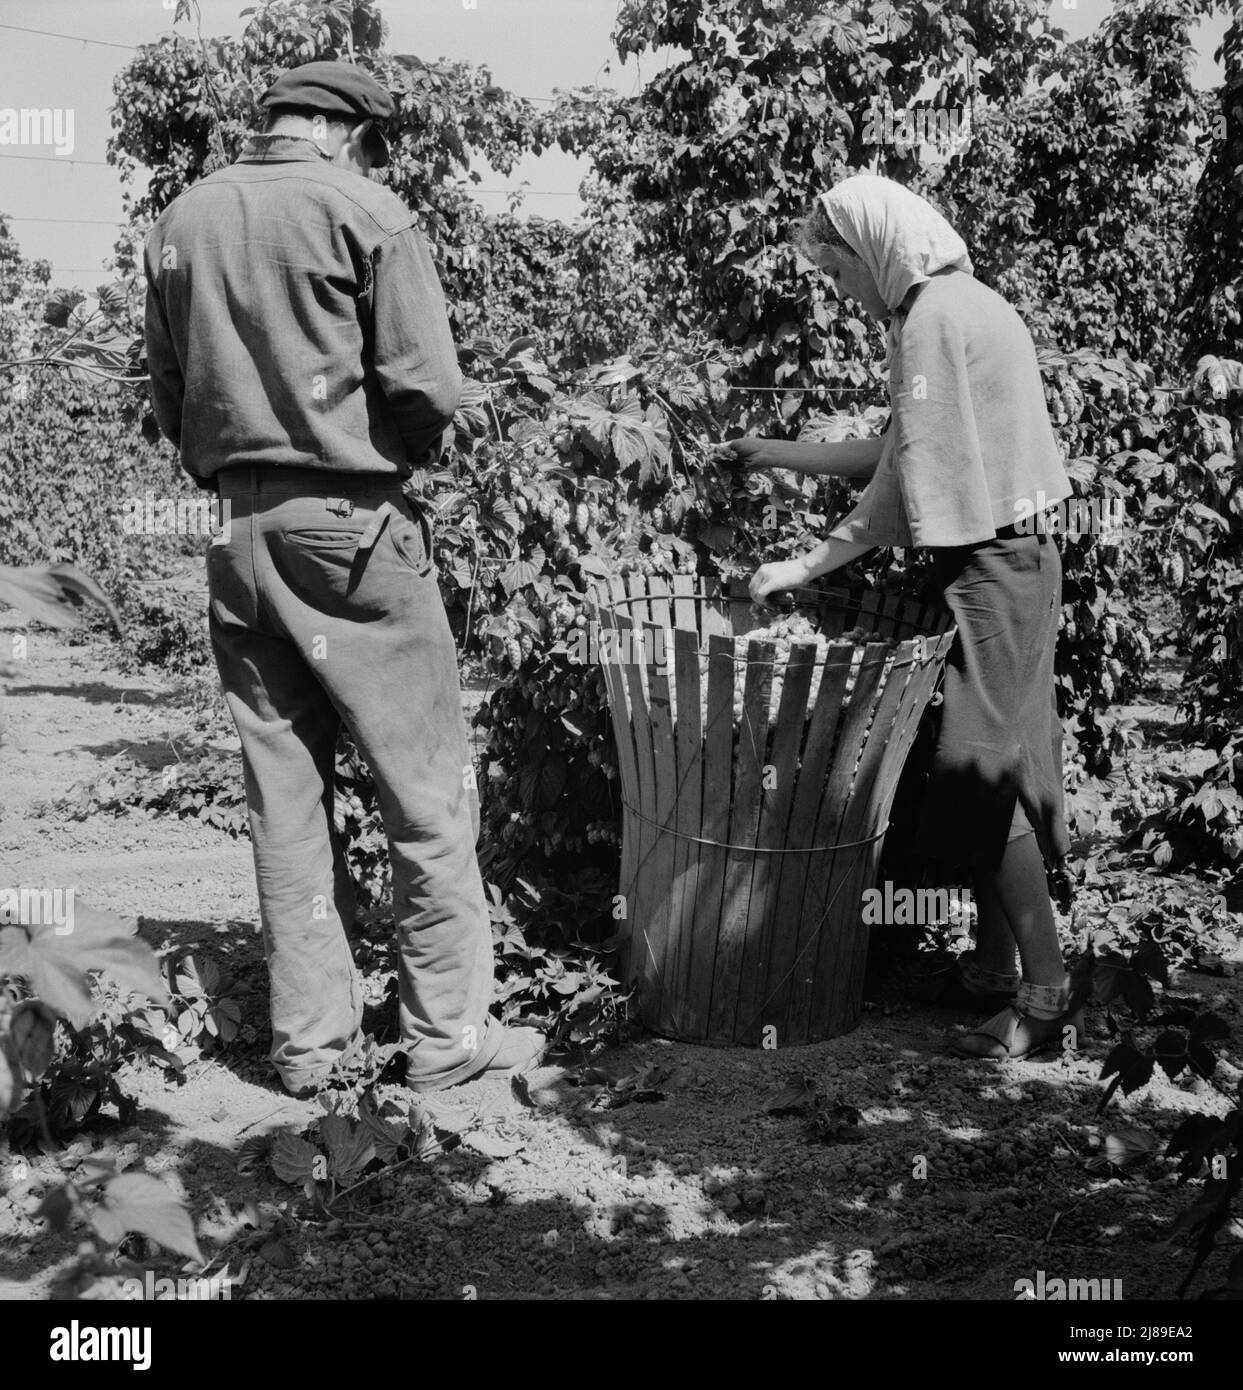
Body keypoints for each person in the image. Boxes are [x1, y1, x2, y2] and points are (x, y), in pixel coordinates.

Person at [143, 60, 544, 1096]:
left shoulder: (181, 220)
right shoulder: (367, 211)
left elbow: (169, 392)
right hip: (351, 527)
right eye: (372, 144)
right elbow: (428, 387)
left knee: (284, 794)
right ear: (342, 131)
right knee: (423, 786)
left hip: (236, 525)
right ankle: (447, 1034)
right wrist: (382, 466)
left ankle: (311, 1045)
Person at [722, 173, 1081, 1060]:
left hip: (992, 567)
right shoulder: (972, 303)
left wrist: (802, 564)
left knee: (977, 772)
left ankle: (1044, 996)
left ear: (869, 248)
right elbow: (898, 452)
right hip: (1022, 559)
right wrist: (776, 453)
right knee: (1005, 759)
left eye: (840, 273)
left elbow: (901, 483)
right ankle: (996, 970)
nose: (845, 293)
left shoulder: (924, 317)